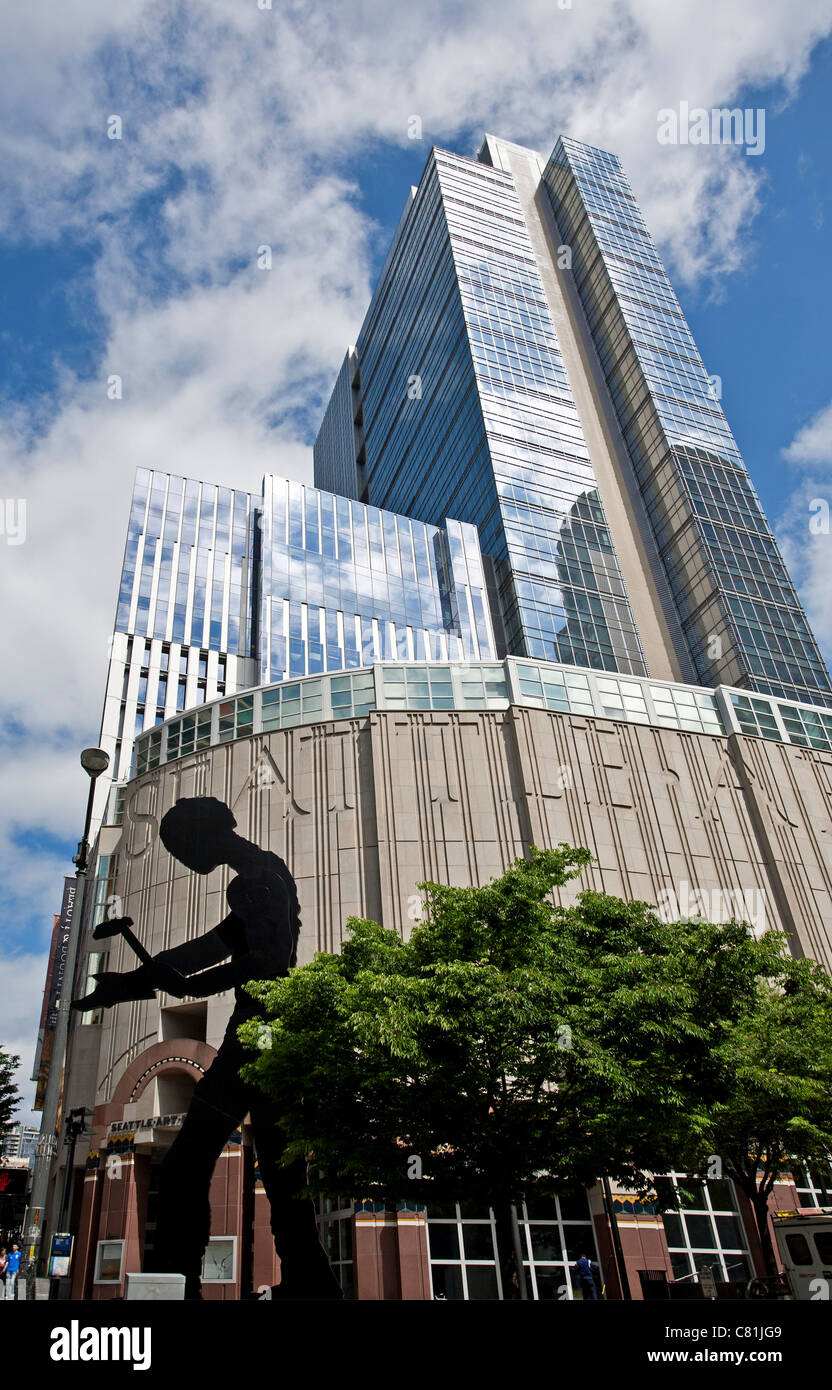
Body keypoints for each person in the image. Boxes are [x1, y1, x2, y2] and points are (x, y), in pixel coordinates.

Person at [72, 796, 341, 1301]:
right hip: (269, 1031)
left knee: (187, 1165)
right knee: (282, 1173)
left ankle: (177, 1283)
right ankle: (311, 1285)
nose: (181, 859)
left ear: (203, 836)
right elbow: (211, 947)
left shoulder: (256, 880)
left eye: (180, 847)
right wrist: (133, 982)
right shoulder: (262, 873)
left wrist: (193, 987)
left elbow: (264, 961)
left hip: (258, 1034)